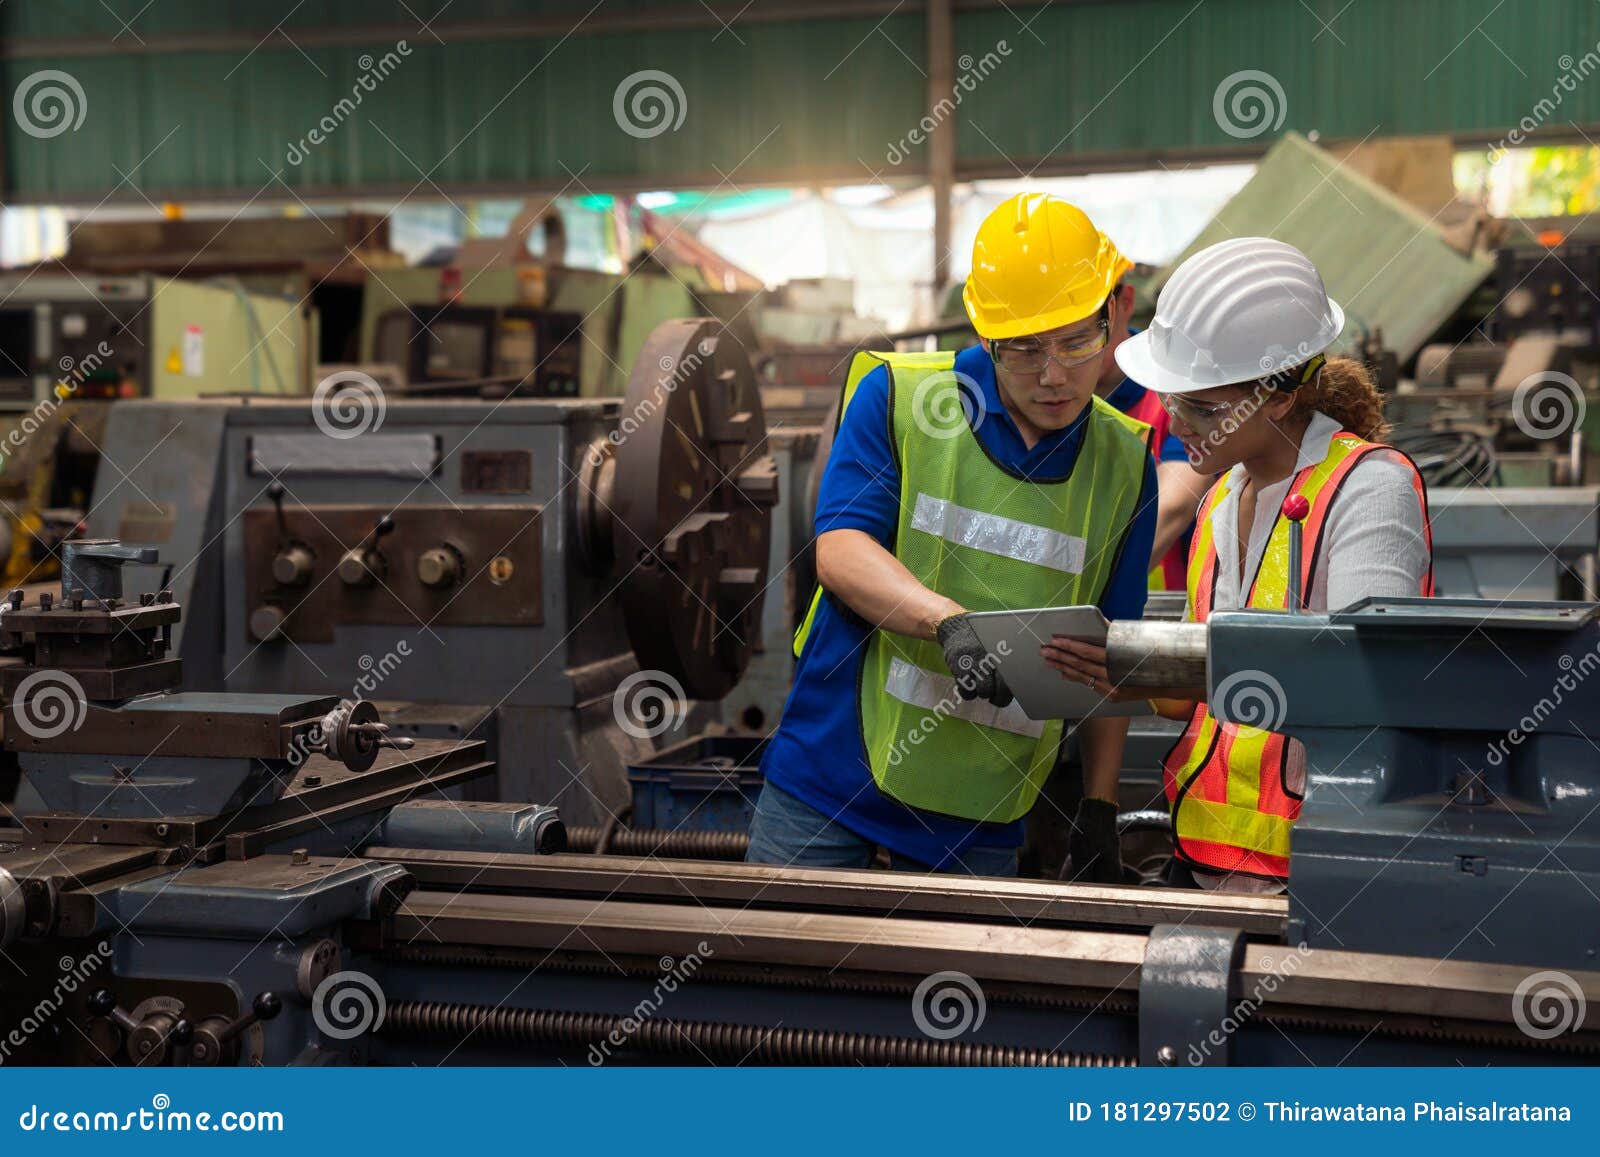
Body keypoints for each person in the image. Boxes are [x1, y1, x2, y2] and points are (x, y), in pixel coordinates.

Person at [746, 192, 1160, 879]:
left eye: (1076, 340)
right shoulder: (903, 398)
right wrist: (947, 622)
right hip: (830, 783)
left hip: (980, 815)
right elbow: (841, 549)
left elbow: (1105, 655)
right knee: (776, 972)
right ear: (983, 329)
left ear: (1117, 310)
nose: (1053, 374)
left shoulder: (1126, 465)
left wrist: (1098, 805)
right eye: (1023, 349)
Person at [1043, 237, 1432, 893]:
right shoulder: (1222, 495)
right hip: (1205, 853)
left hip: (1319, 865)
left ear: (1278, 397)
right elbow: (1204, 699)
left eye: (1205, 408)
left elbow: (1370, 684)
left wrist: (1169, 660)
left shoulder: (1370, 488)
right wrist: (1123, 677)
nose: (1179, 422)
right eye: (1173, 399)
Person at [1094, 276, 1213, 590]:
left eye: (1089, 321)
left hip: (1168, 619)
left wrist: (1082, 594)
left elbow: (1173, 506)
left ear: (1125, 302)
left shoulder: (1179, 385)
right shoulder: (1043, 400)